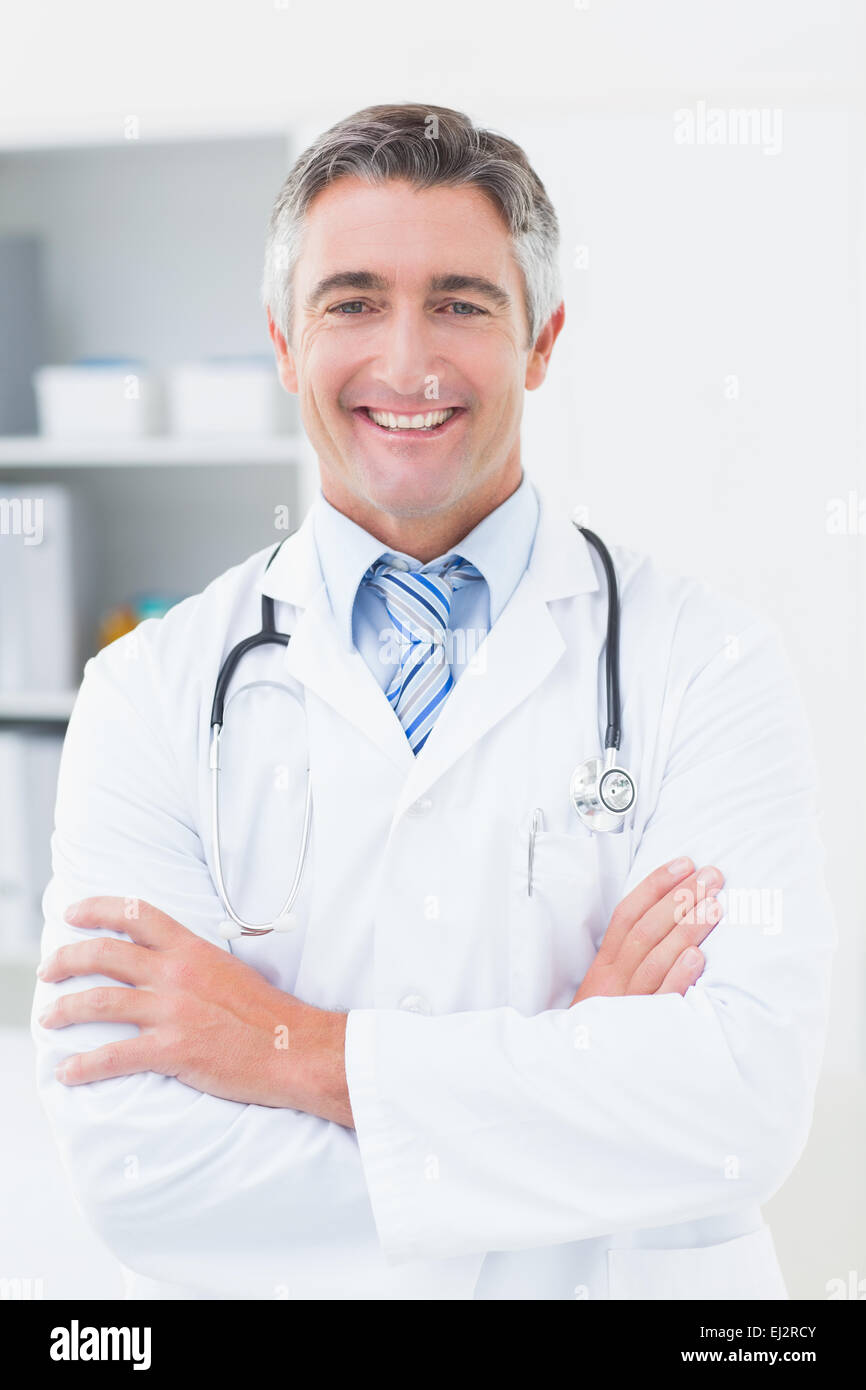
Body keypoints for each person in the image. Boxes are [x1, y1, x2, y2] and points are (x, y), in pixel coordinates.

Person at [31, 103, 836, 1301]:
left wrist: (280, 1049)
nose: (405, 360)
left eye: (460, 301)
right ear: (282, 341)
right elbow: (146, 1169)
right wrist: (580, 1075)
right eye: (351, 300)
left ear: (542, 337)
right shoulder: (146, 695)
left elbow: (737, 1107)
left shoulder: (705, 663)